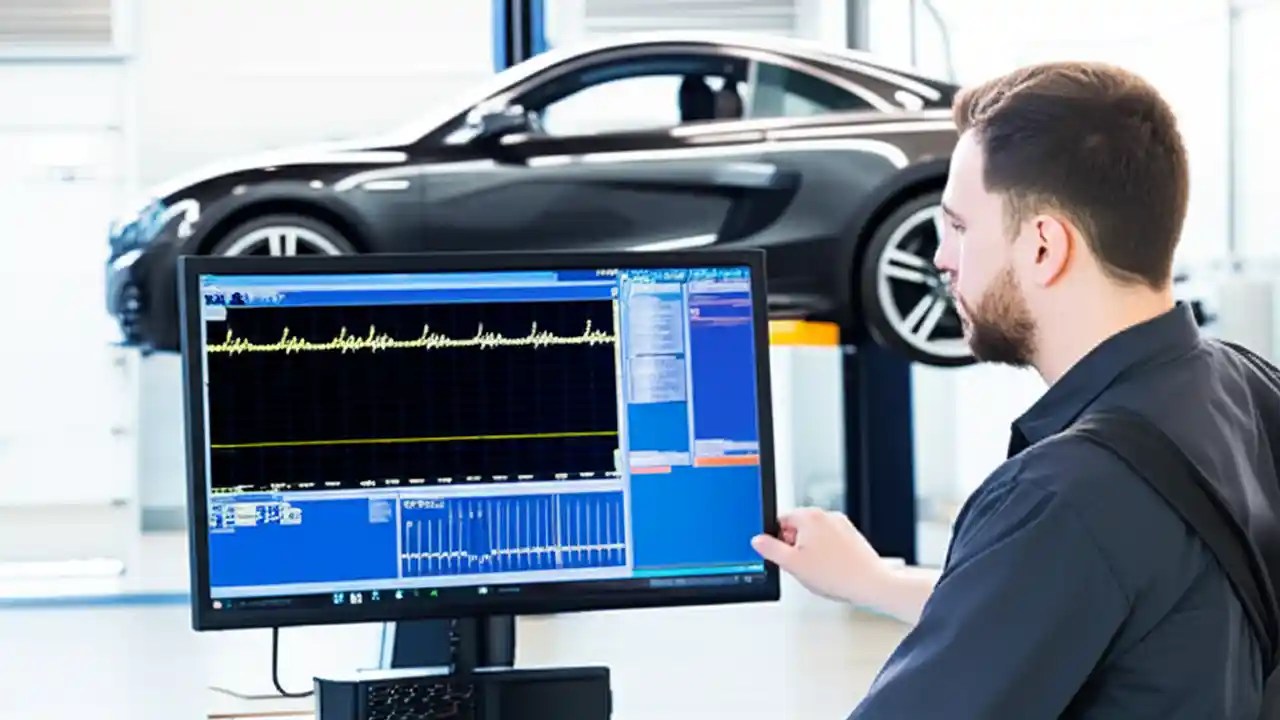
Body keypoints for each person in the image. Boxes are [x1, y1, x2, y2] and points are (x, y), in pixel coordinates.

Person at [752, 61, 1279, 718]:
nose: (941, 256)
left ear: (1042, 247)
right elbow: (1075, 601)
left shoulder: (1065, 494)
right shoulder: (1246, 388)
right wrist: (876, 582)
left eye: (960, 227)